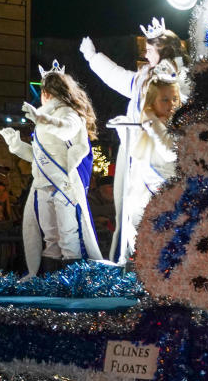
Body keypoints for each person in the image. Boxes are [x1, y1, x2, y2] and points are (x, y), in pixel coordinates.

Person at [80, 17, 188, 260]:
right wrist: (94, 58)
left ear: (164, 50)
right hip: (140, 157)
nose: (147, 54)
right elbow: (117, 77)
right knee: (135, 213)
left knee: (166, 211)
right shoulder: (143, 78)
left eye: (150, 50)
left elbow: (181, 113)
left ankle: (171, 267)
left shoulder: (180, 79)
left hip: (165, 156)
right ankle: (142, 266)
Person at [0, 65, 105, 276]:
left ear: (46, 92)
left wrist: (42, 119)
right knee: (51, 238)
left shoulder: (68, 113)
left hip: (62, 184)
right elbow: (38, 157)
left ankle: (72, 282)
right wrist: (17, 145)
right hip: (43, 184)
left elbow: (66, 129)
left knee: (68, 235)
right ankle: (51, 281)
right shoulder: (43, 118)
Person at [115, 74, 181, 263]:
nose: (171, 104)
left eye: (174, 99)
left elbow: (171, 153)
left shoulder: (178, 126)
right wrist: (123, 129)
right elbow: (135, 152)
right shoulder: (145, 124)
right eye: (165, 100)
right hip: (142, 188)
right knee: (136, 227)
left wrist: (155, 126)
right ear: (152, 101)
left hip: (167, 189)